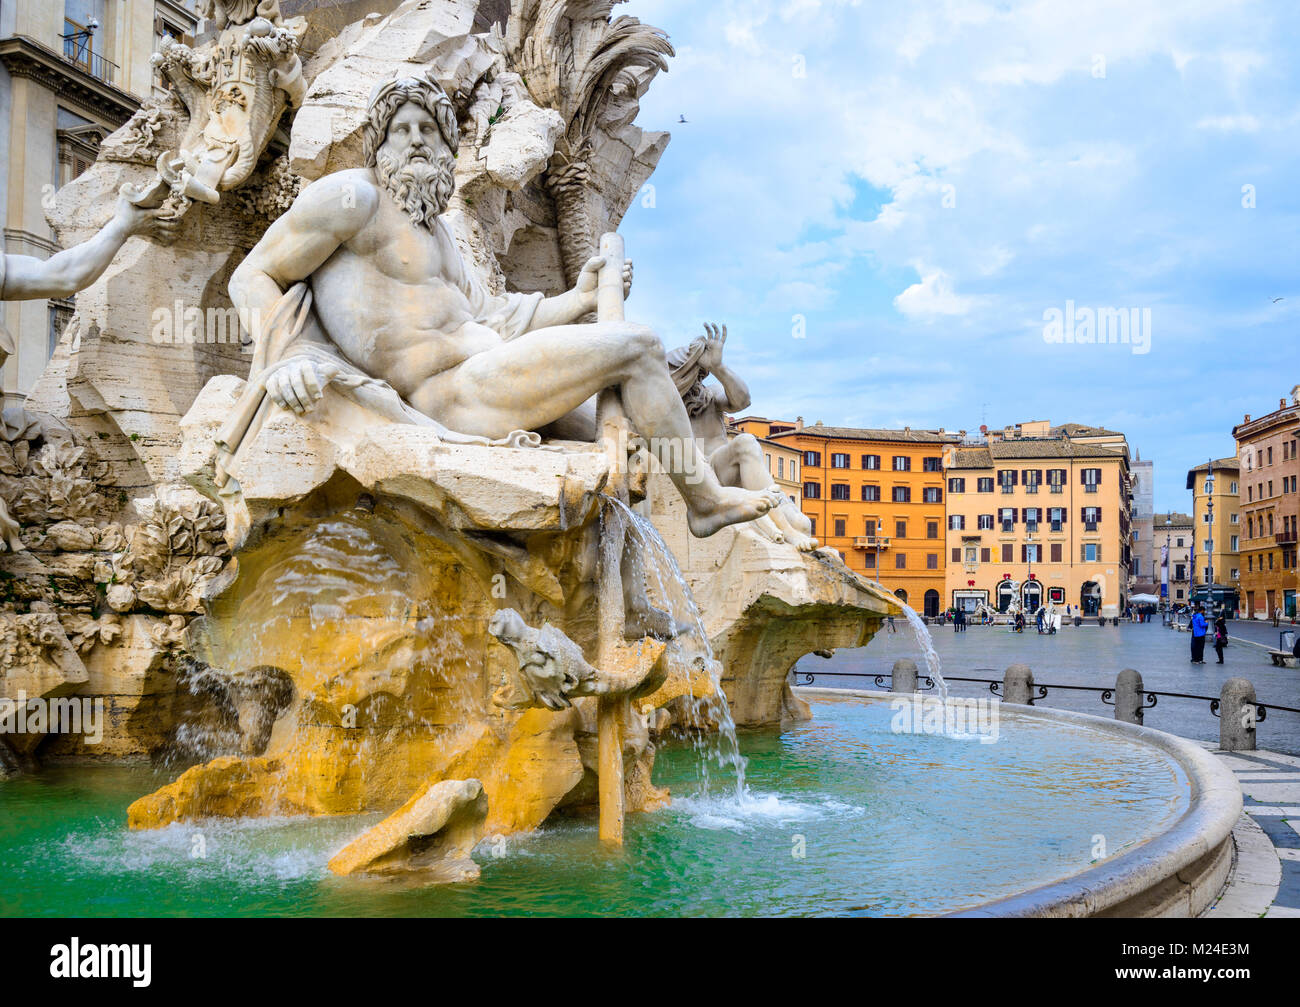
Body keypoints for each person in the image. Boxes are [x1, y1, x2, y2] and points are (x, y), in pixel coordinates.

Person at [226, 72, 783, 539]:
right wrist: (286, 357)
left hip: (490, 374)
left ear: (448, 148)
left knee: (633, 435)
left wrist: (581, 298)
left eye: (429, 130)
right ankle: (706, 502)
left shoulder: (438, 234)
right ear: (380, 144)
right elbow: (253, 275)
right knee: (640, 347)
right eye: (402, 130)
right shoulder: (353, 199)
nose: (417, 140)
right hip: (448, 394)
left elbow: (496, 319)